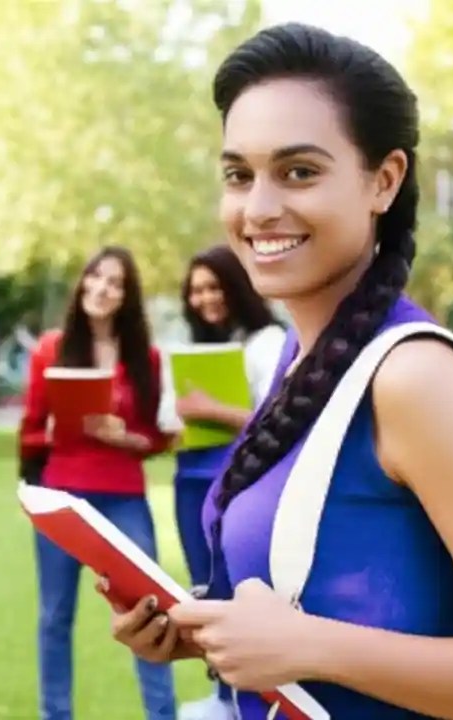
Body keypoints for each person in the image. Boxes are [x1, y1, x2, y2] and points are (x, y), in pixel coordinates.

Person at [109, 22, 453, 719]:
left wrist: (309, 646)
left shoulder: (413, 378)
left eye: (299, 172)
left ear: (384, 181)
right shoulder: (300, 361)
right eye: (239, 175)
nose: (258, 209)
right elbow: (342, 598)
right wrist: (207, 631)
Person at [19, 246, 177, 720]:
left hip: (123, 494)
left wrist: (122, 436)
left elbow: (156, 438)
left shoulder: (146, 357)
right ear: (83, 282)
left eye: (115, 283)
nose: (102, 289)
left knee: (149, 609)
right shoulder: (50, 349)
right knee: (55, 615)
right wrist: (50, 431)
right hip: (61, 492)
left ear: (127, 297)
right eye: (95, 277)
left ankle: (162, 715)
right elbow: (30, 430)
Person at [155, 244, 284, 720]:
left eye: (214, 287)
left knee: (240, 589)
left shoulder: (268, 340)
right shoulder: (188, 350)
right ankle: (225, 699)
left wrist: (212, 411)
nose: (205, 298)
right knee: (204, 592)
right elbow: (168, 421)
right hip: (190, 480)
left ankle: (253, 700)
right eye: (196, 290)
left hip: (240, 483)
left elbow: (278, 418)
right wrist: (180, 419)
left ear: (236, 286)